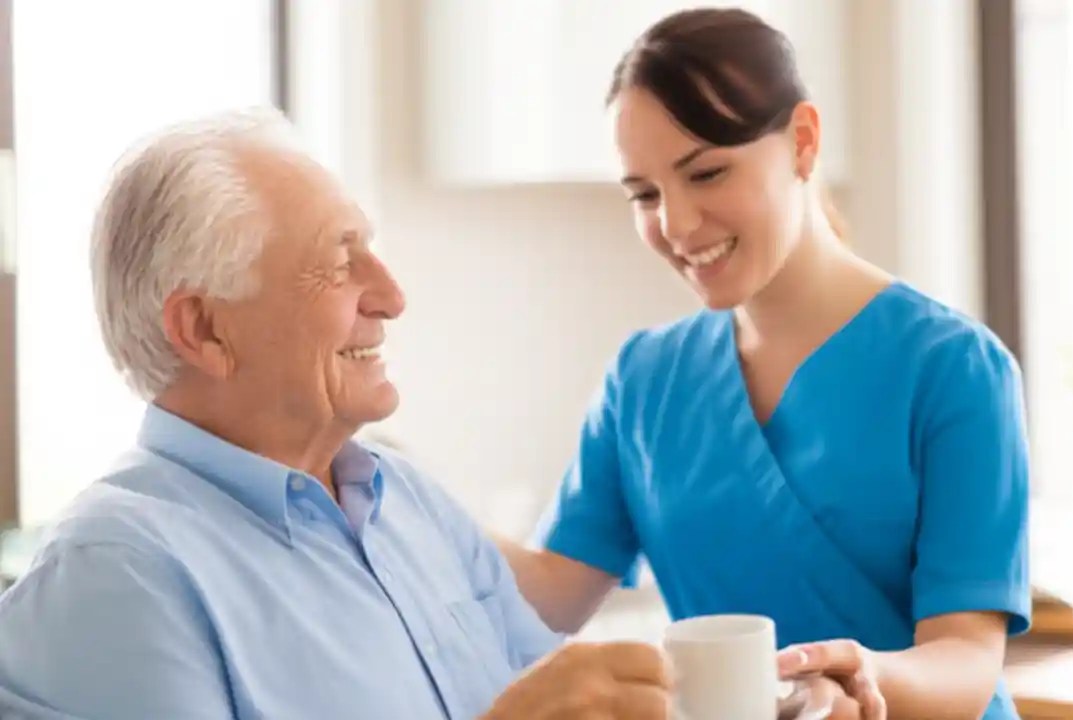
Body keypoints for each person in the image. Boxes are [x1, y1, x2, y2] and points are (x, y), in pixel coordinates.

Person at [0, 109, 680, 720]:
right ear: (204, 329)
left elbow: (553, 693)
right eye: (338, 262)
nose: (391, 296)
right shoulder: (112, 574)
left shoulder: (409, 500)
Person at [497, 8, 1031, 720]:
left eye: (707, 172)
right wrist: (381, 479)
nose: (676, 224)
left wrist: (860, 678)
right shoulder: (644, 382)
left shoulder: (955, 369)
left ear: (802, 142)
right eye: (645, 195)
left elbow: (965, 660)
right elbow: (549, 594)